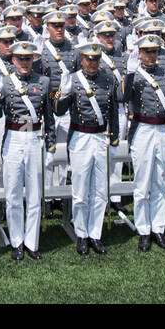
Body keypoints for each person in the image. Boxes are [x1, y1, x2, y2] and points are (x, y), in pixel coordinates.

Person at [0, 40, 54, 261]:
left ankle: (32, 242)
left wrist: (51, 143)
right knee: (14, 194)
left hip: (35, 137)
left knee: (35, 194)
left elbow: (49, 115)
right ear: (14, 60)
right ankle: (17, 241)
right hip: (14, 139)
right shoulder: (6, 83)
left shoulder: (44, 82)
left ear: (33, 60)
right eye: (20, 59)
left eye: (28, 59)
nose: (24, 63)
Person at [55, 42, 120, 256]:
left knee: (100, 191)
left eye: (96, 59)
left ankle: (95, 234)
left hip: (101, 136)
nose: (92, 63)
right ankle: (81, 234)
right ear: (81, 59)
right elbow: (58, 111)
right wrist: (63, 95)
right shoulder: (73, 80)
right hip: (81, 137)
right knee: (81, 191)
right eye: (88, 59)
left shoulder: (108, 79)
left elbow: (112, 111)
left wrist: (115, 138)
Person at [123, 33, 165, 252]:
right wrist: (128, 73)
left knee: (160, 181)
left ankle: (159, 227)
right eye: (147, 51)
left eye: (154, 51)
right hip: (142, 129)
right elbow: (123, 96)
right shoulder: (135, 76)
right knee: (142, 181)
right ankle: (143, 229)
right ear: (140, 53)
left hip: (162, 129)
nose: (151, 56)